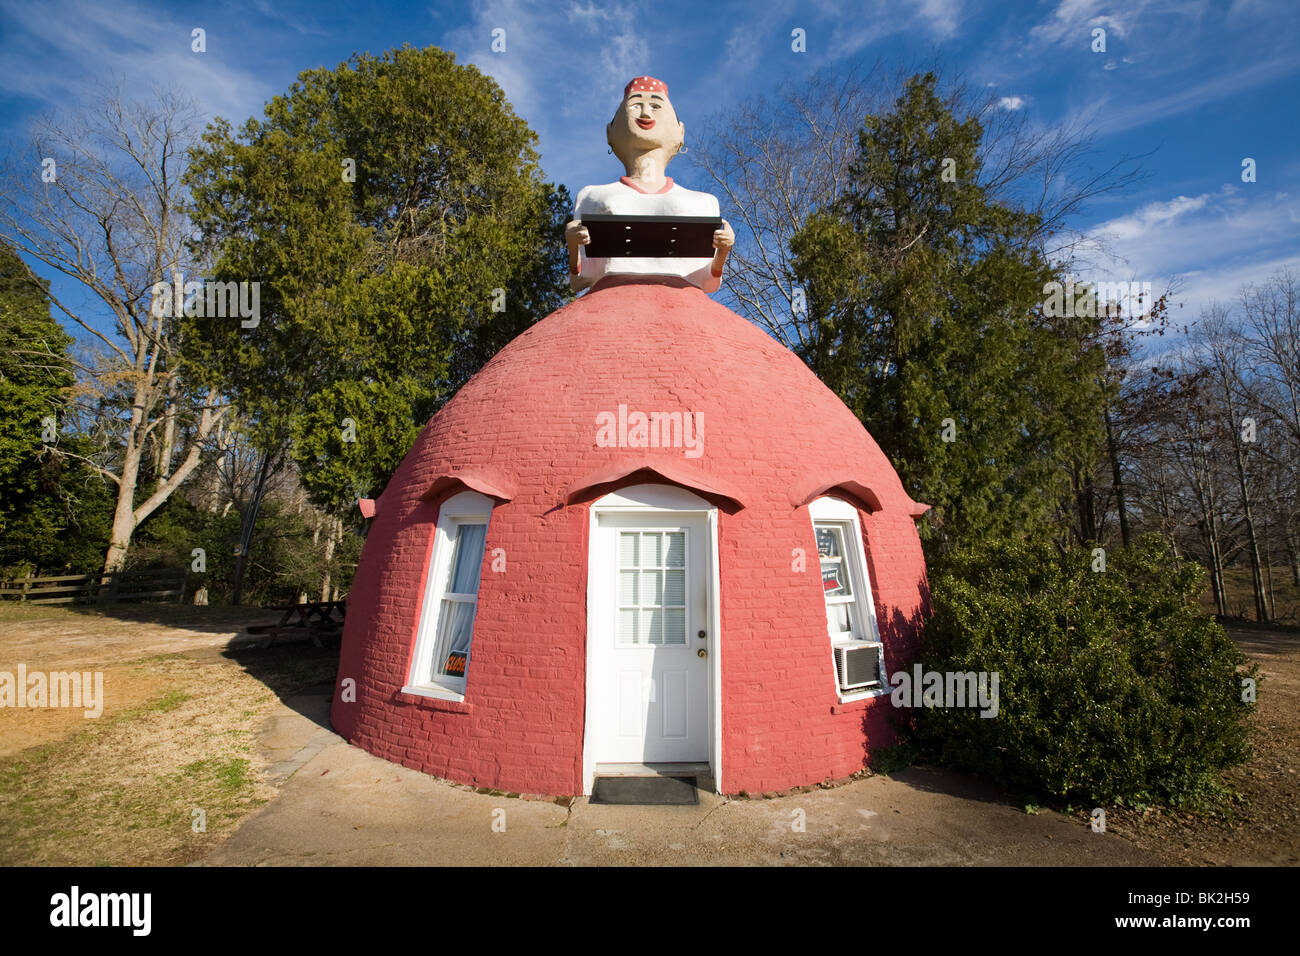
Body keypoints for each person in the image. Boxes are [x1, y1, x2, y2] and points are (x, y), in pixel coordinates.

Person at [566, 76, 735, 294]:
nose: (645, 114)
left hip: (683, 301)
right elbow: (578, 279)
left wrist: (723, 249)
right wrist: (573, 243)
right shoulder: (592, 196)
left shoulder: (703, 202)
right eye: (635, 105)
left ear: (680, 131)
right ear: (610, 132)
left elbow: (709, 281)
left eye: (656, 106)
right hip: (611, 299)